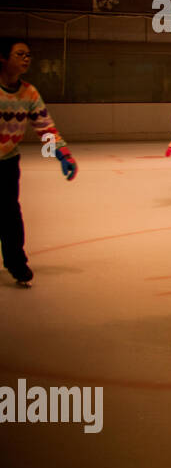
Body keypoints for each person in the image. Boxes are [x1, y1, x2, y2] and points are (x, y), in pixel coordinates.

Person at [0, 37, 78, 287]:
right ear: (3, 58)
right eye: (19, 54)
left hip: (8, 163)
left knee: (11, 215)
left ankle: (16, 263)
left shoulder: (28, 92)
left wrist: (61, 154)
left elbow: (44, 127)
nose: (26, 59)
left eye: (28, 55)